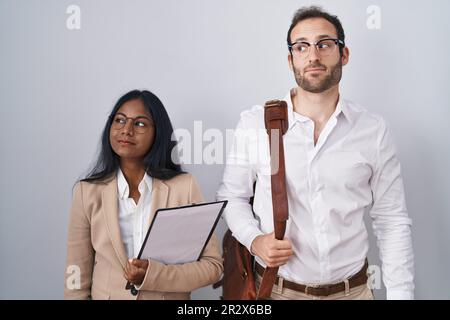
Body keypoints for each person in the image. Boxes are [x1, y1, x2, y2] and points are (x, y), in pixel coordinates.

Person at [217, 6, 414, 300]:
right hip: (277, 292)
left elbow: (392, 220)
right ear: (291, 59)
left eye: (324, 44)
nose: (313, 56)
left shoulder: (372, 130)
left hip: (354, 292)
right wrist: (254, 239)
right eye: (302, 47)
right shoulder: (255, 124)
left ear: (344, 54)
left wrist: (401, 295)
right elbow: (232, 197)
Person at [65, 89, 223, 299]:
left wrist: (153, 274)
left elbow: (212, 267)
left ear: (158, 133)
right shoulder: (86, 192)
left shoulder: (184, 187)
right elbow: (75, 275)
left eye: (139, 123)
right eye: (120, 120)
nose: (126, 130)